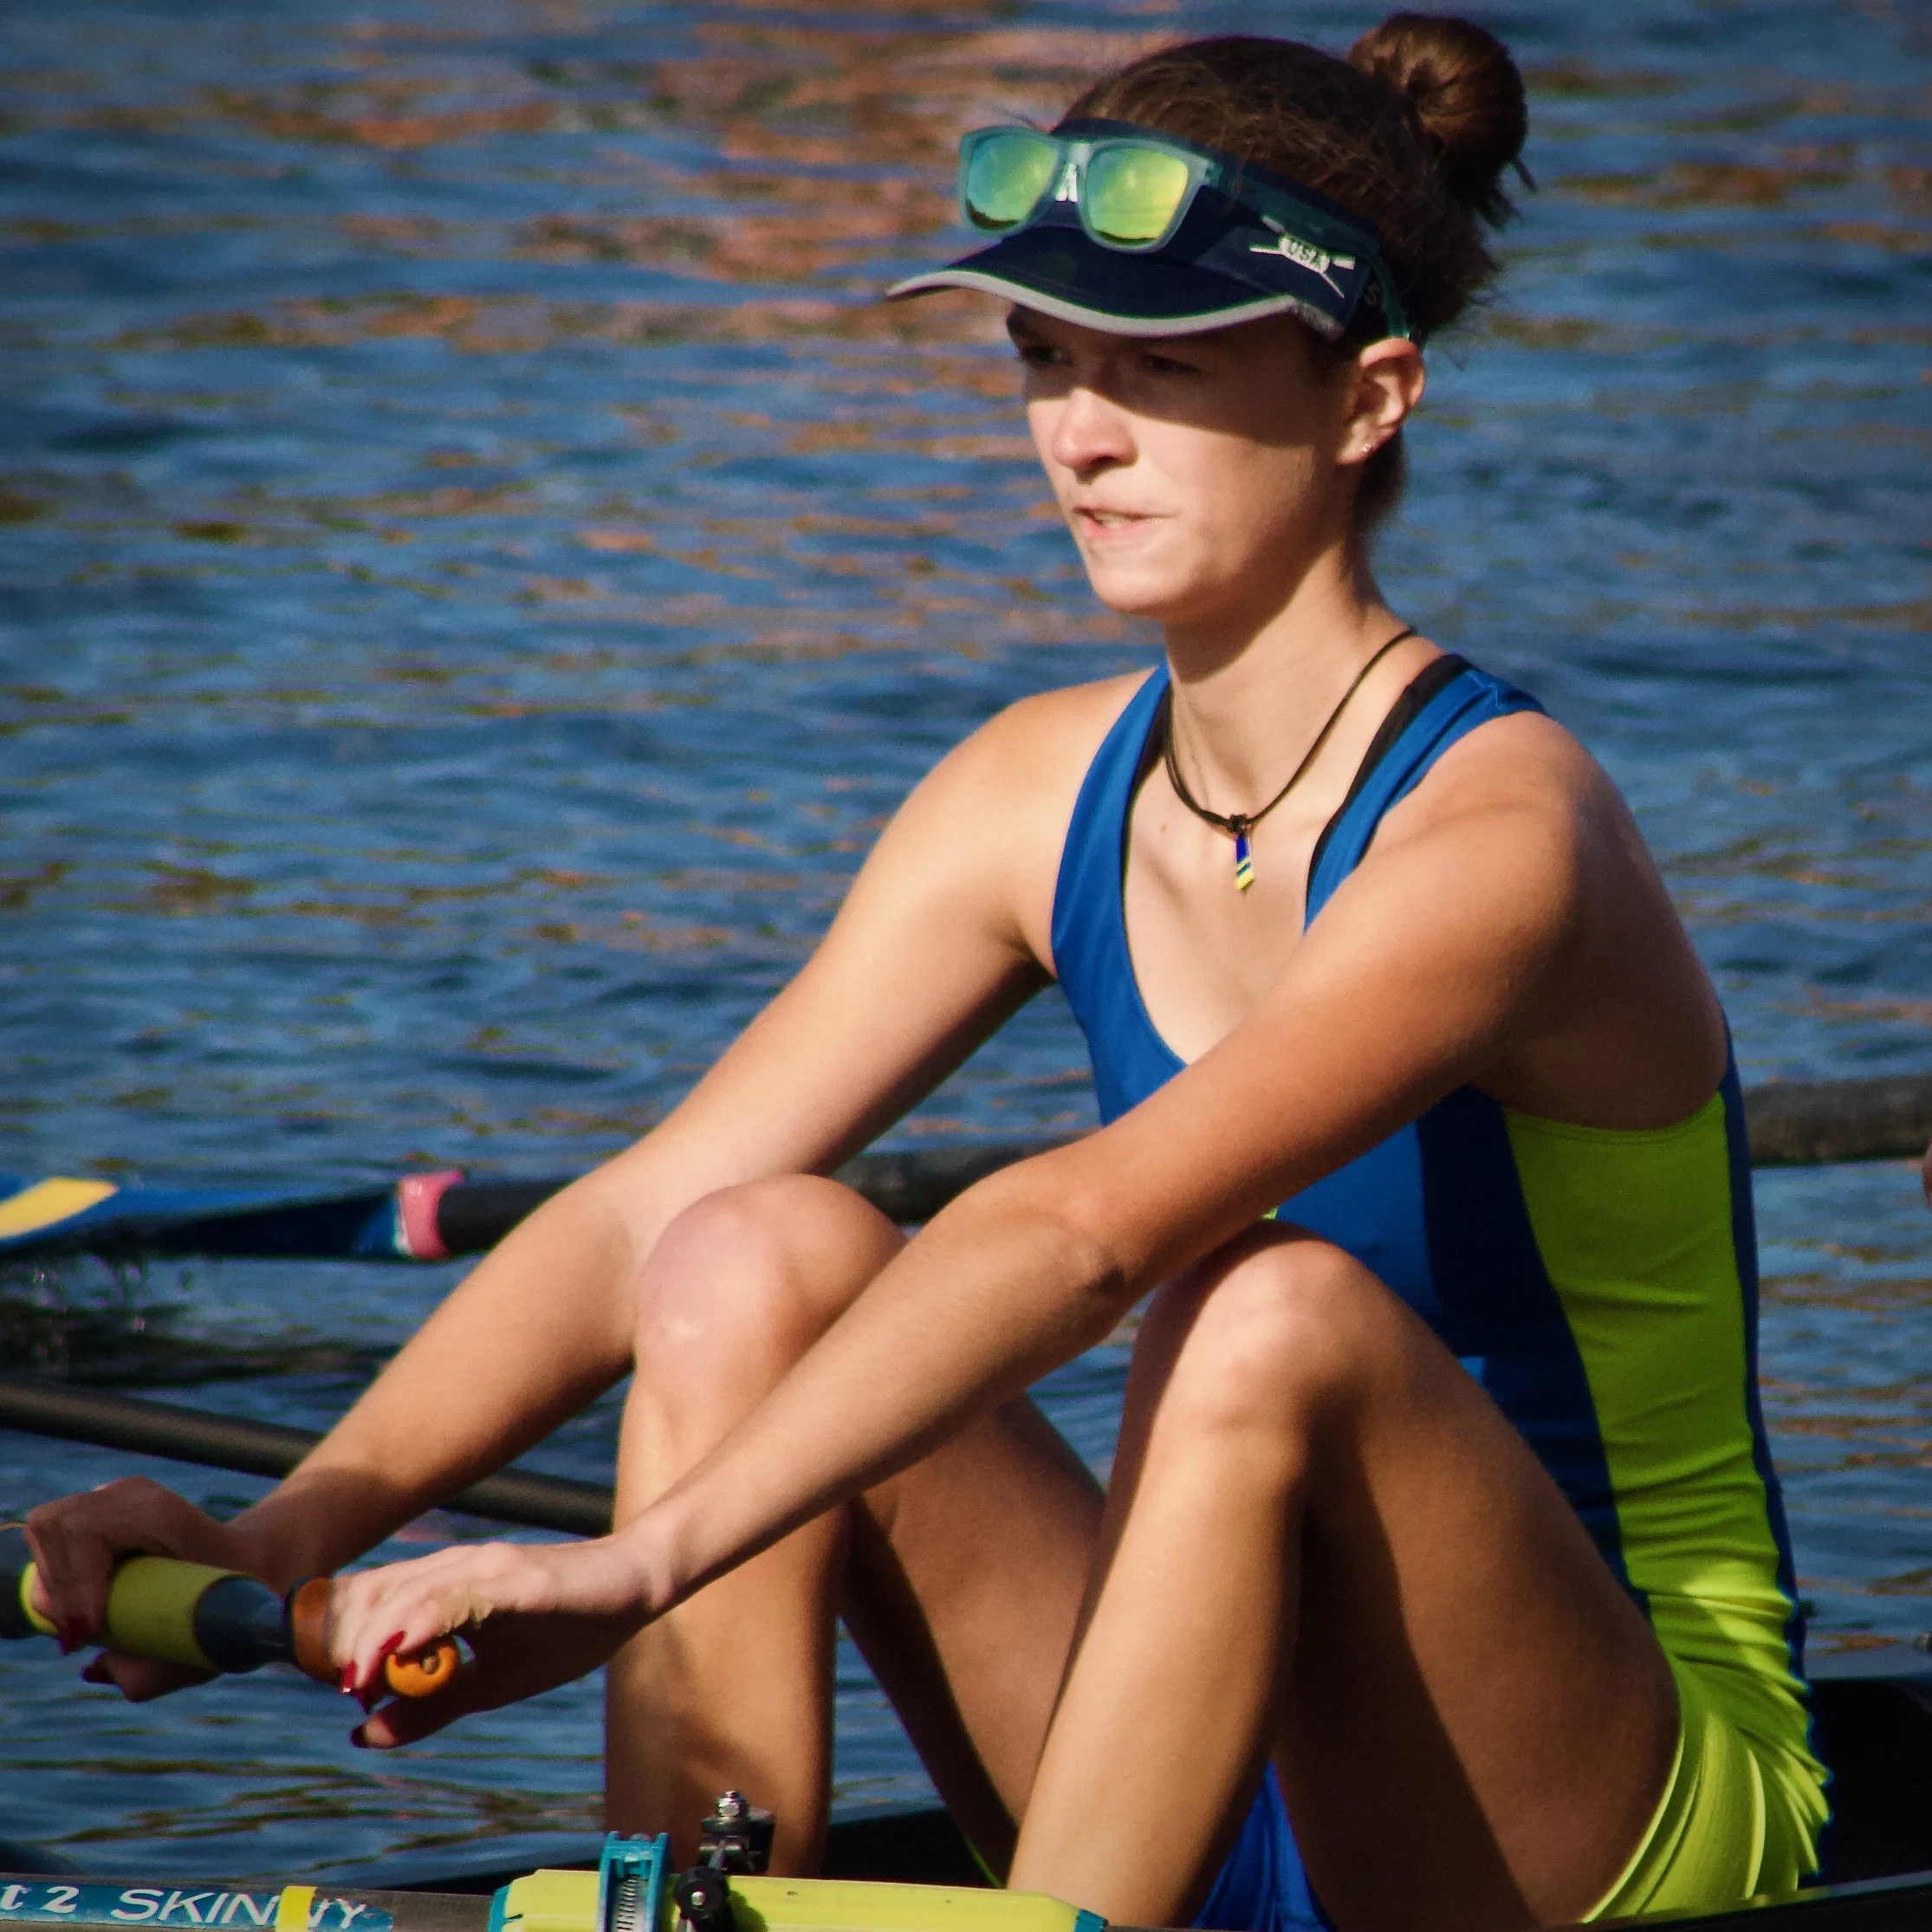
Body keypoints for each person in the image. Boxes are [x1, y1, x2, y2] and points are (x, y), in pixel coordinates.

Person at [24, 18, 1828, 1931]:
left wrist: (636, 1562)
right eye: (1045, 358)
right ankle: (675, 1899)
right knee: (744, 1248)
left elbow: (1089, 1237)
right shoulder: (1031, 791)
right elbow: (638, 1208)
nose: (1078, 434)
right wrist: (286, 1527)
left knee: (1265, 1311)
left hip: (1612, 1798)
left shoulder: (1504, 835)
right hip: (1200, 1730)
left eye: (1161, 367)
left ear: (1366, 399)